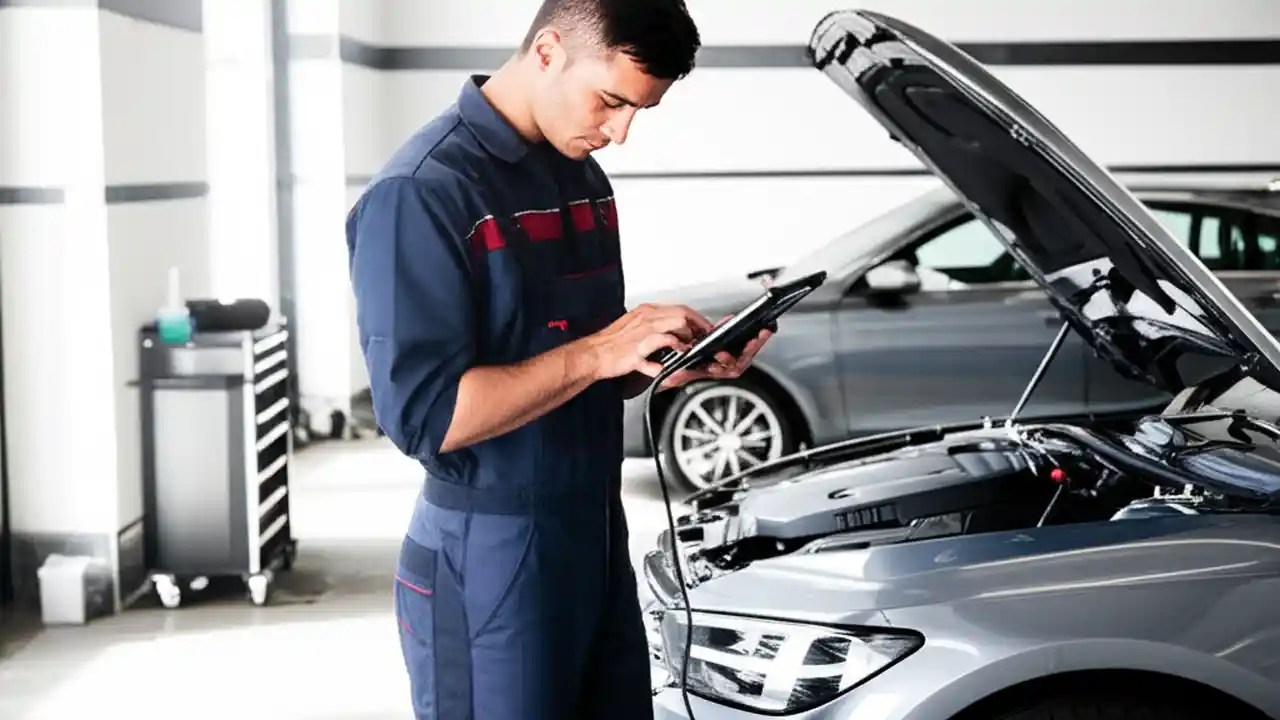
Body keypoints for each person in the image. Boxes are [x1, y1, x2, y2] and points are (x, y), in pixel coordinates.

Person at [345, 1, 771, 717]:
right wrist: (601, 351)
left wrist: (659, 365)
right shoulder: (422, 193)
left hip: (594, 534)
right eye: (611, 102)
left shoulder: (579, 176)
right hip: (489, 553)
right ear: (547, 52)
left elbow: (576, 369)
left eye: (639, 111)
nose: (620, 132)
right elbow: (426, 417)